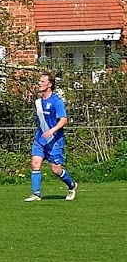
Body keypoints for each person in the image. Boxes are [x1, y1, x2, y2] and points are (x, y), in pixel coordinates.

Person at [26, 71, 77, 202]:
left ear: (49, 84)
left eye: (42, 81)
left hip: (54, 141)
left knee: (56, 170)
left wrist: (52, 130)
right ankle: (36, 194)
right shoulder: (38, 102)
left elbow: (64, 119)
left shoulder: (57, 102)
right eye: (39, 81)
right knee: (35, 164)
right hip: (40, 140)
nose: (39, 83)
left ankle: (71, 186)